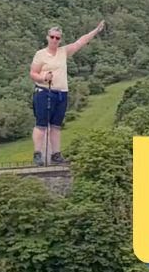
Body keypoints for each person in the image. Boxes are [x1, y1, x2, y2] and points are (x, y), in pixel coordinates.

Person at [29, 21, 104, 165]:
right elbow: (33, 73)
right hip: (44, 91)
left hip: (61, 93)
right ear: (47, 37)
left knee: (56, 125)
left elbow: (80, 42)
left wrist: (96, 30)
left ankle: (56, 154)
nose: (54, 40)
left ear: (60, 40)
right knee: (41, 124)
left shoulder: (63, 52)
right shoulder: (40, 55)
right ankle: (37, 154)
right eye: (52, 37)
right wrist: (43, 78)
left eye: (57, 38)